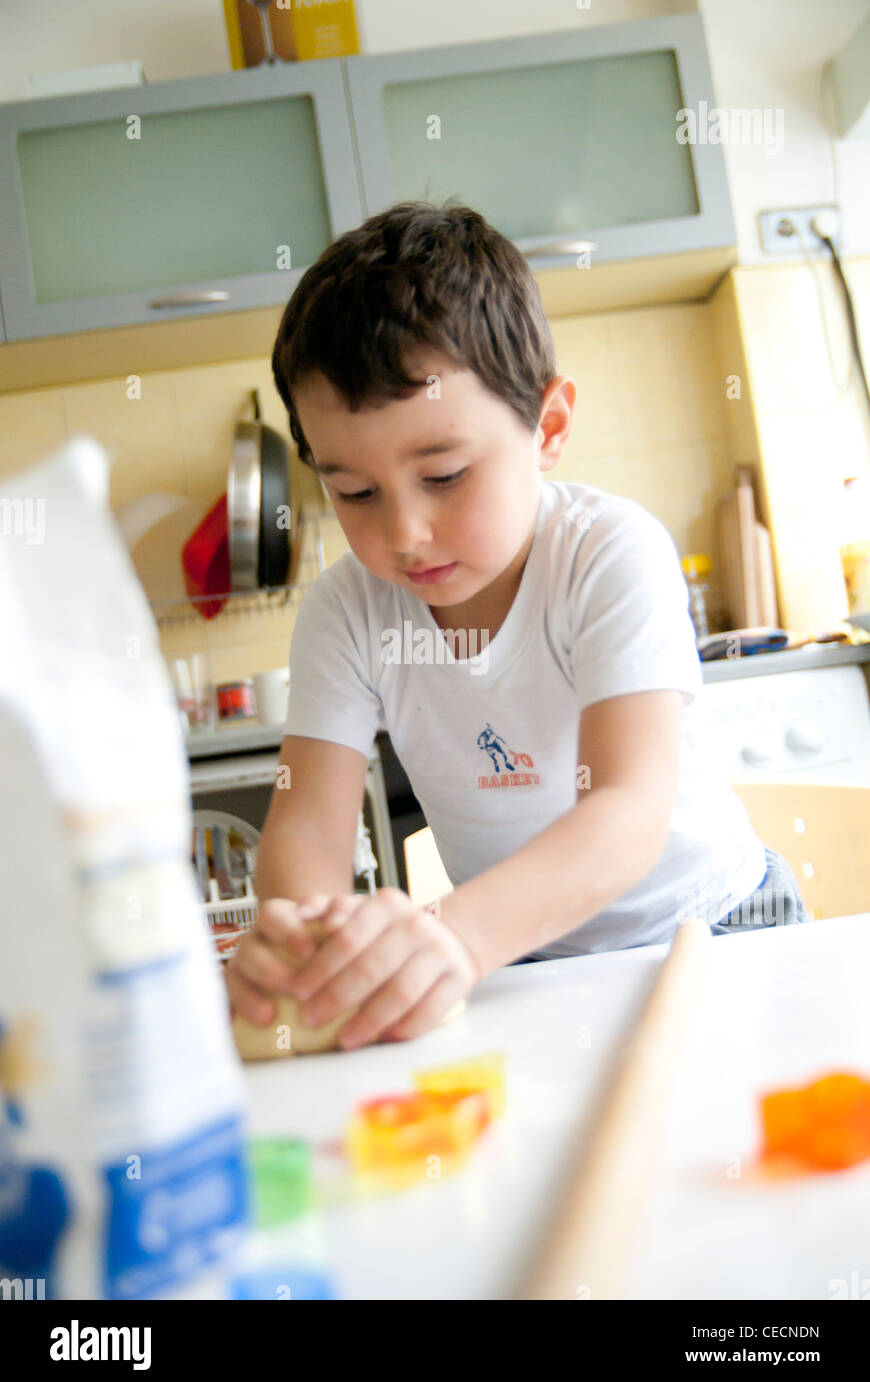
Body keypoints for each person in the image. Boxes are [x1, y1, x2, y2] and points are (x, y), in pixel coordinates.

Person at [225, 200, 810, 1051]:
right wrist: (295, 944)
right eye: (353, 493)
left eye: (447, 475)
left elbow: (627, 808)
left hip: (717, 925)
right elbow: (309, 824)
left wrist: (452, 938)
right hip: (526, 962)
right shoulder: (347, 611)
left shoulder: (608, 555)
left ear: (550, 428)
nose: (404, 533)